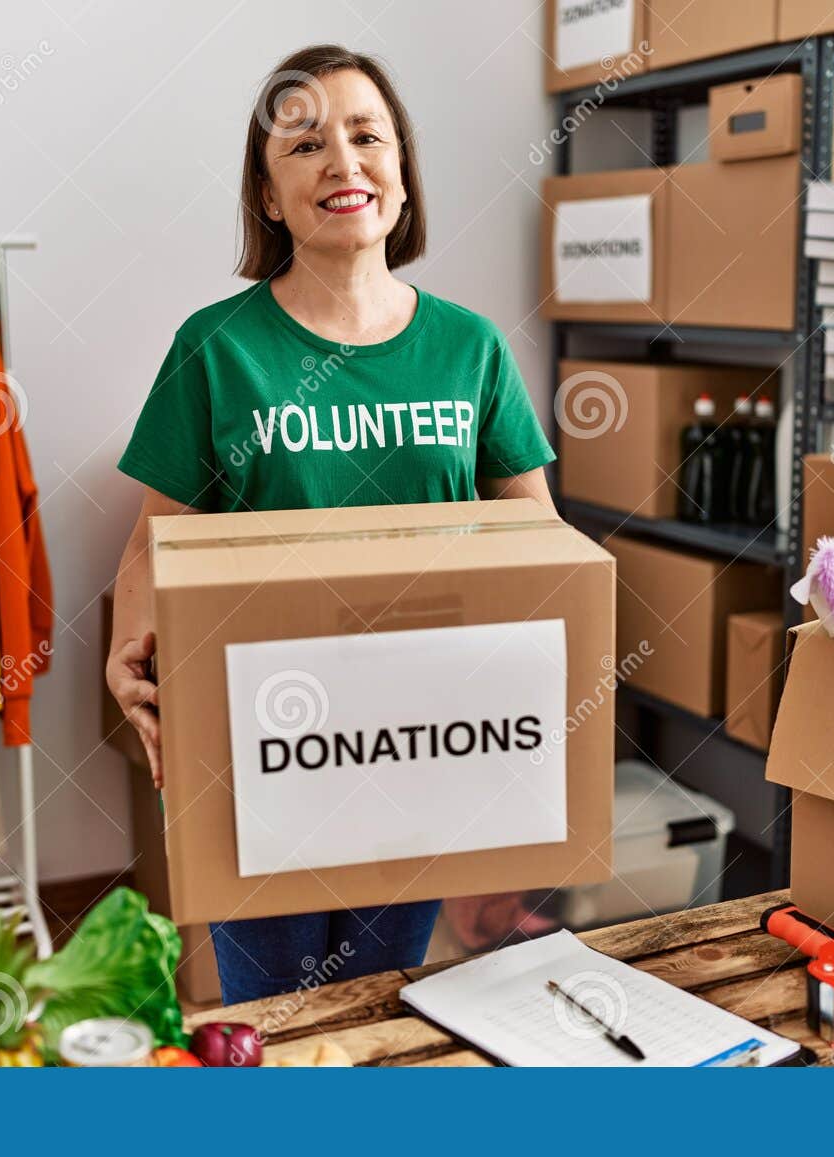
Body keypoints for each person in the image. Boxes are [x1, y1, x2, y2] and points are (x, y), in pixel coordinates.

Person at [107, 43, 556, 1005]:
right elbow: (154, 539)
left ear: (400, 175)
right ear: (270, 197)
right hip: (257, 742)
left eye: (366, 137)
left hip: (418, 736)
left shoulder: (469, 347)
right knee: (273, 1015)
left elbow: (536, 545)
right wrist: (124, 650)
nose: (343, 163)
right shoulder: (217, 347)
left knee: (379, 999)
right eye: (306, 145)